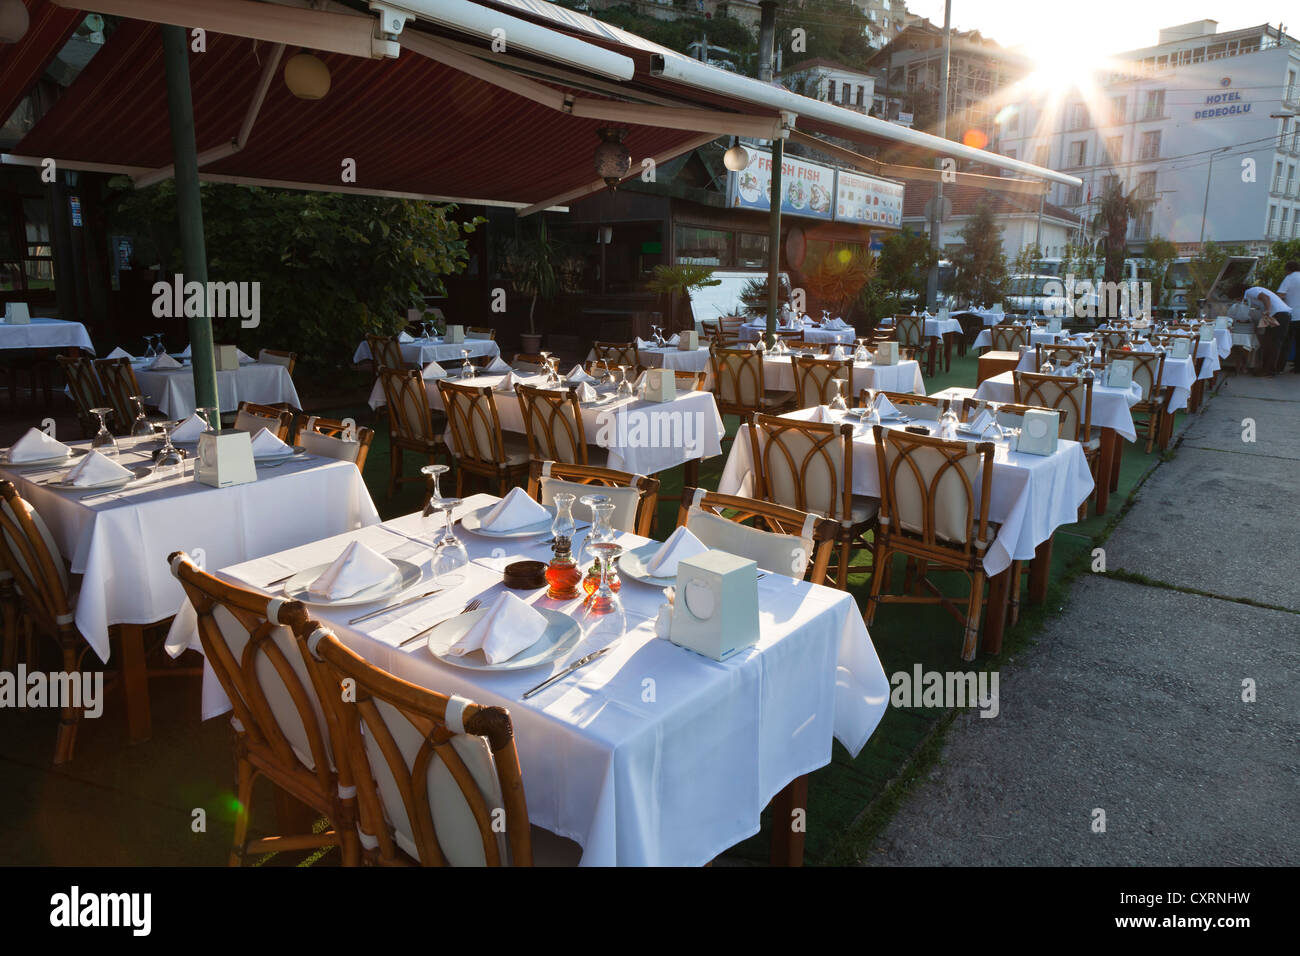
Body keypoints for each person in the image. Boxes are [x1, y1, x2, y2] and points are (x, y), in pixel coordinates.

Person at [1243, 284, 1293, 375]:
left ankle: (1268, 370)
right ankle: (1268, 368)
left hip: (1279, 315)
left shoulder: (1250, 292)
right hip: (1281, 314)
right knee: (1271, 342)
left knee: (1272, 343)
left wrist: (1267, 311)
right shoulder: (1255, 290)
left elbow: (1266, 298)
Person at [1278, 261, 1300, 373]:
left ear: (1288, 269)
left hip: (1292, 315)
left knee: (1286, 342)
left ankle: (1279, 367)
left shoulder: (1289, 278)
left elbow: (1281, 294)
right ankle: (1298, 367)